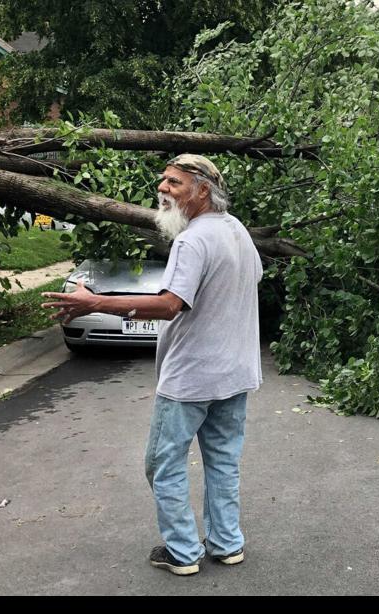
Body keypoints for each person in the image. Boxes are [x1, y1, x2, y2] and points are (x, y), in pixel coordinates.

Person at [42, 154, 263, 576]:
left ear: (201, 190)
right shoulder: (236, 230)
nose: (162, 189)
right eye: (163, 180)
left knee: (163, 464)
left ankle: (182, 552)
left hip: (191, 378)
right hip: (235, 373)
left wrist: (95, 303)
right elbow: (247, 281)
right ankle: (226, 543)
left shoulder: (193, 239)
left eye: (174, 183)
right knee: (222, 460)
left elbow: (168, 305)